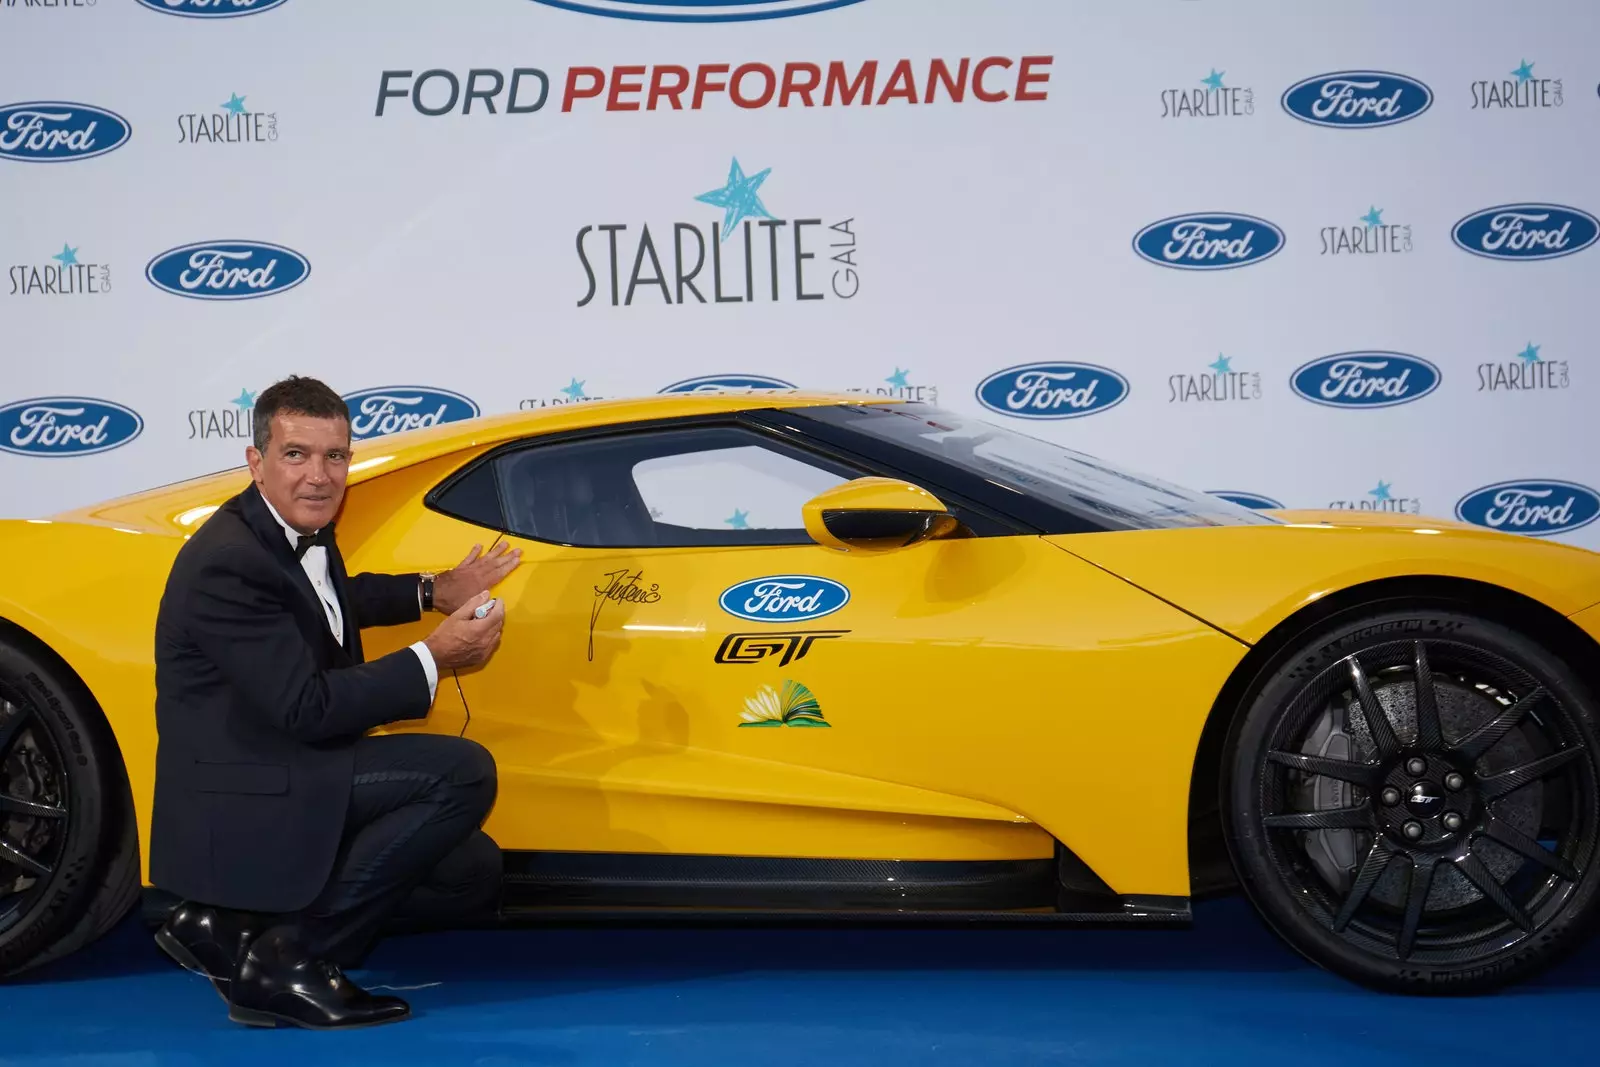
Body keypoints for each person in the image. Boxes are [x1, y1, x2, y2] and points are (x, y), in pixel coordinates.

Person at [147, 375, 522, 1030]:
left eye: (335, 455)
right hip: (250, 789)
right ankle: (288, 960)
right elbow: (307, 708)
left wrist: (433, 589)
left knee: (468, 870)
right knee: (462, 772)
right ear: (256, 461)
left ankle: (235, 921)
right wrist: (436, 656)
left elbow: (332, 599)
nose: (319, 475)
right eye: (296, 454)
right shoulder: (227, 560)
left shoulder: (290, 529)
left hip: (283, 765)